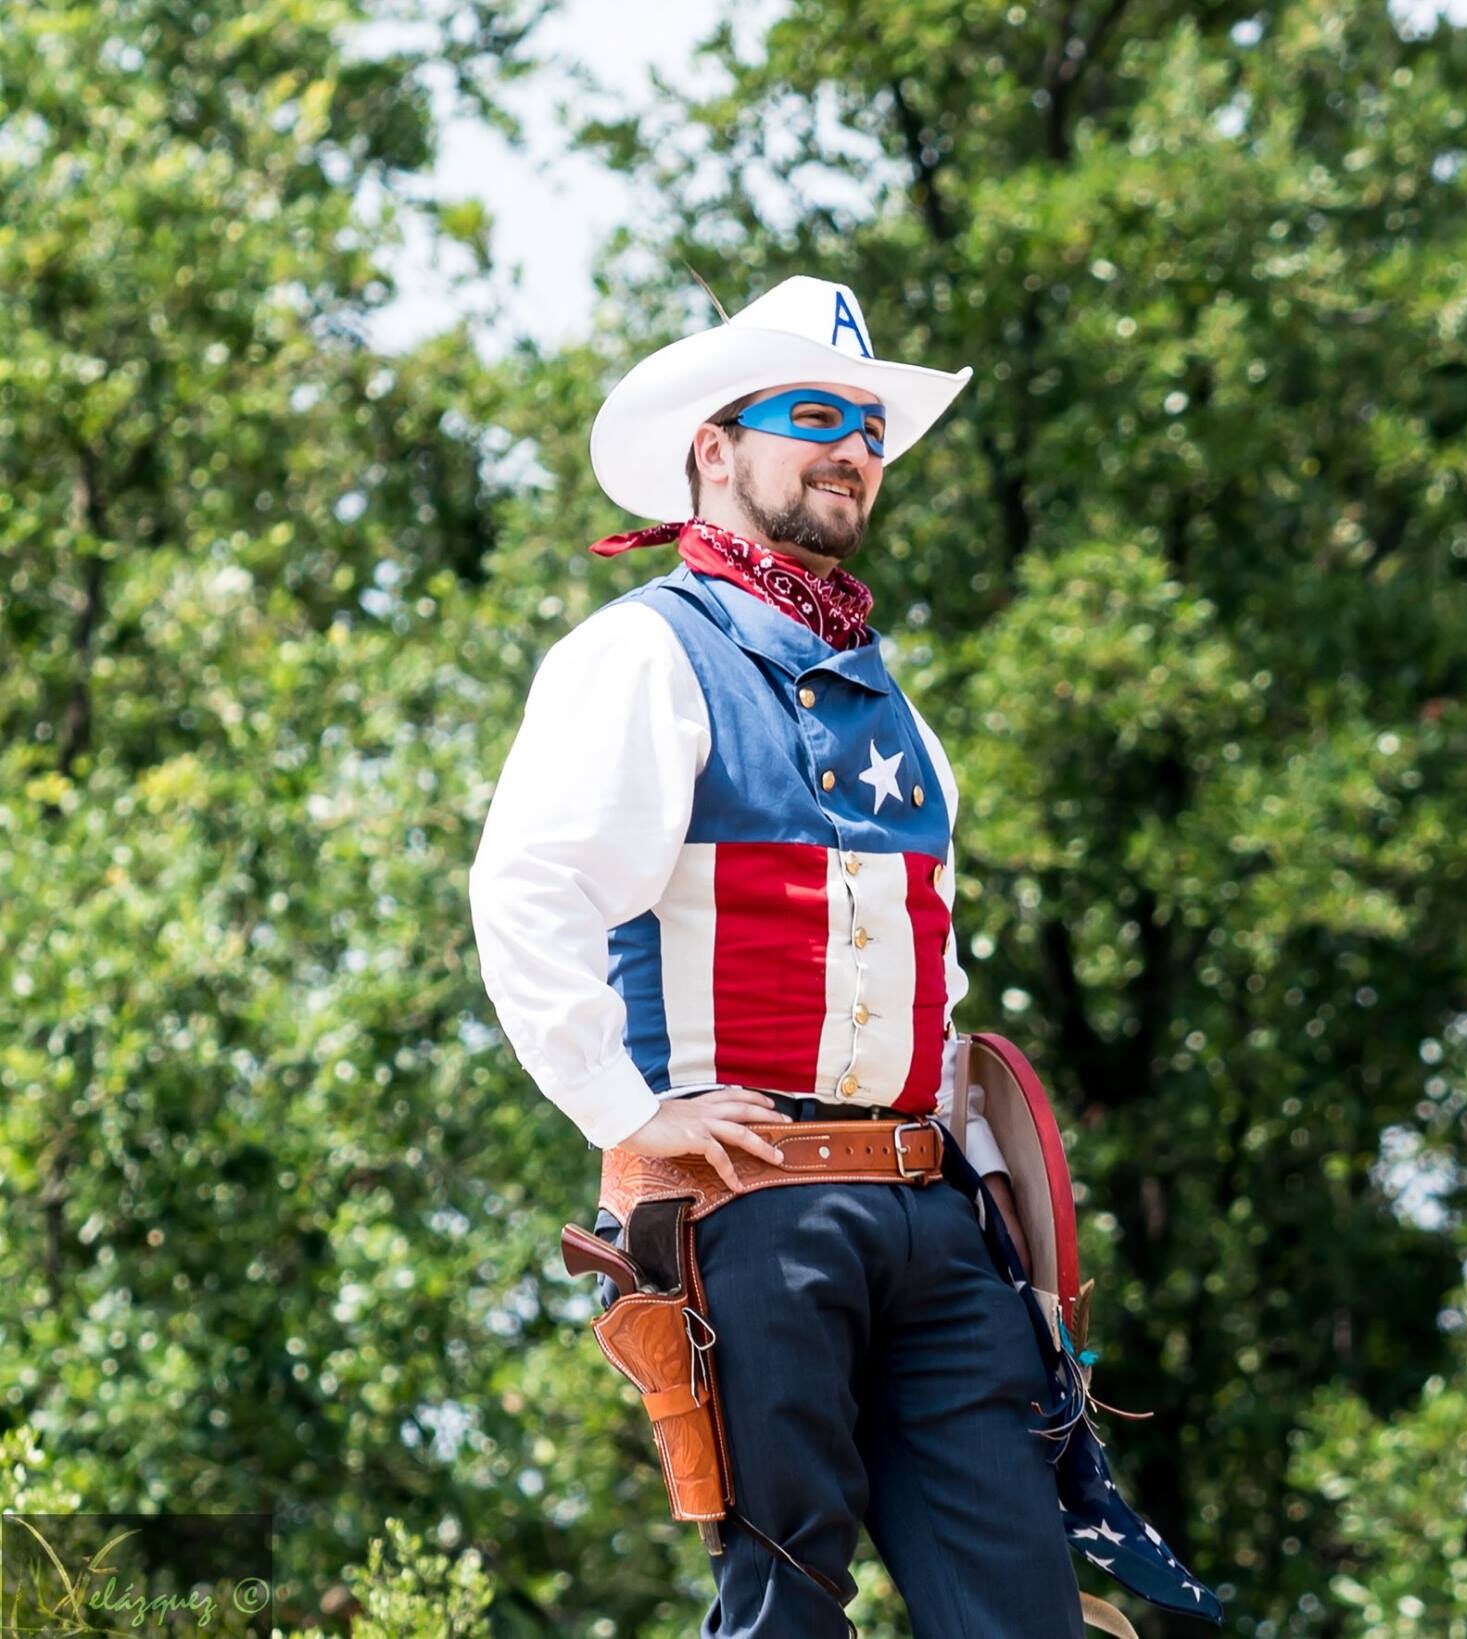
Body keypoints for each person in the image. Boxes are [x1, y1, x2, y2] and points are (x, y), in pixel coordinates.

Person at [468, 275, 1085, 1637]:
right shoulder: (641, 657)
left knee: (1026, 1609)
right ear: (714, 449)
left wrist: (983, 1181)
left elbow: (930, 976)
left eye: (870, 426)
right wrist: (630, 1118)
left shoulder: (902, 714)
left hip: (933, 1219)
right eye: (816, 415)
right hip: (750, 1203)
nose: (854, 448)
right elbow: (529, 893)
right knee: (787, 1603)